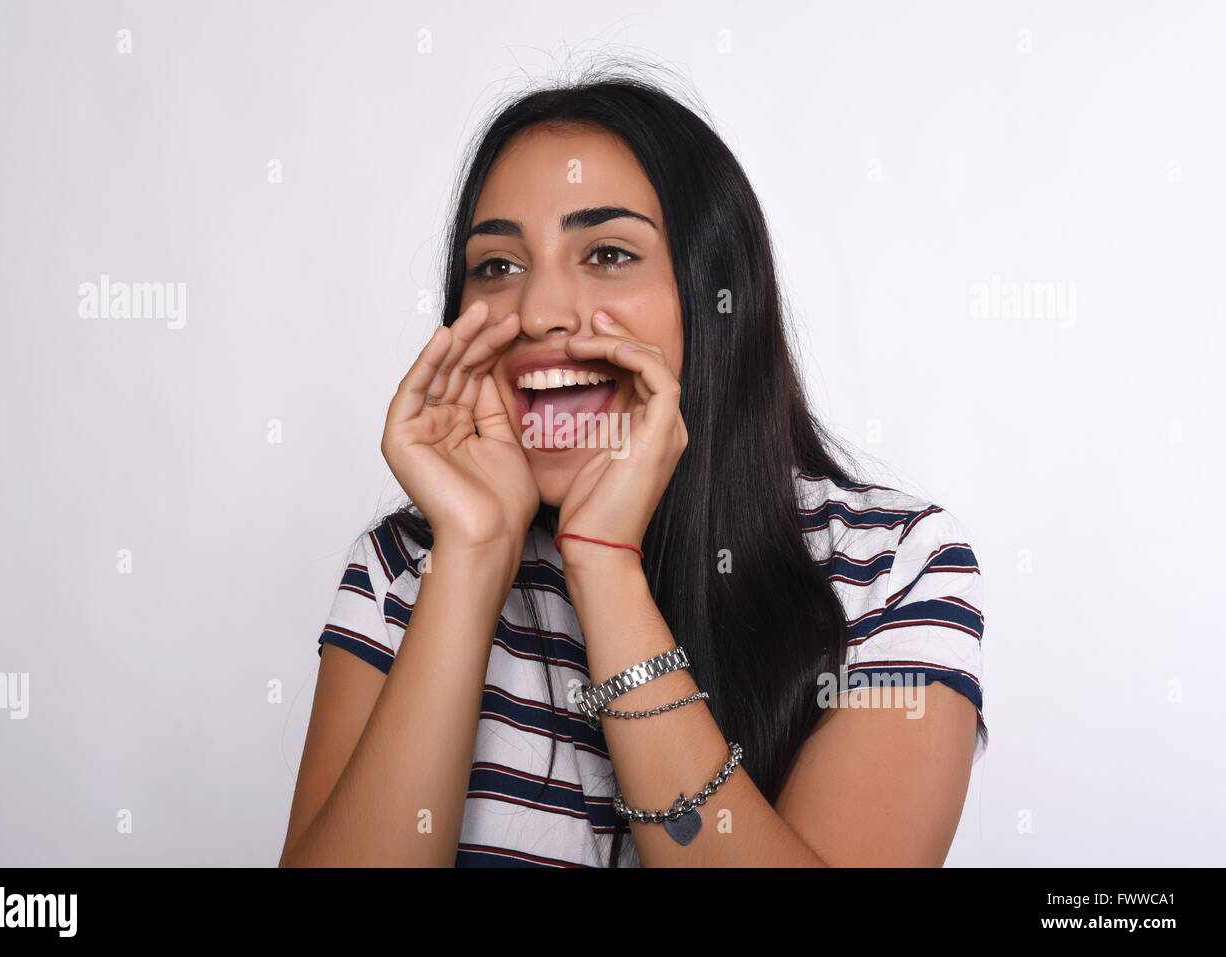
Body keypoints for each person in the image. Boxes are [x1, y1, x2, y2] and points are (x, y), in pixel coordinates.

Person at [279, 70, 987, 868]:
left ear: (714, 294)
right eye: (498, 267)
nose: (541, 312)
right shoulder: (404, 573)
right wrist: (473, 554)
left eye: (608, 253)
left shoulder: (893, 567)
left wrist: (606, 568)